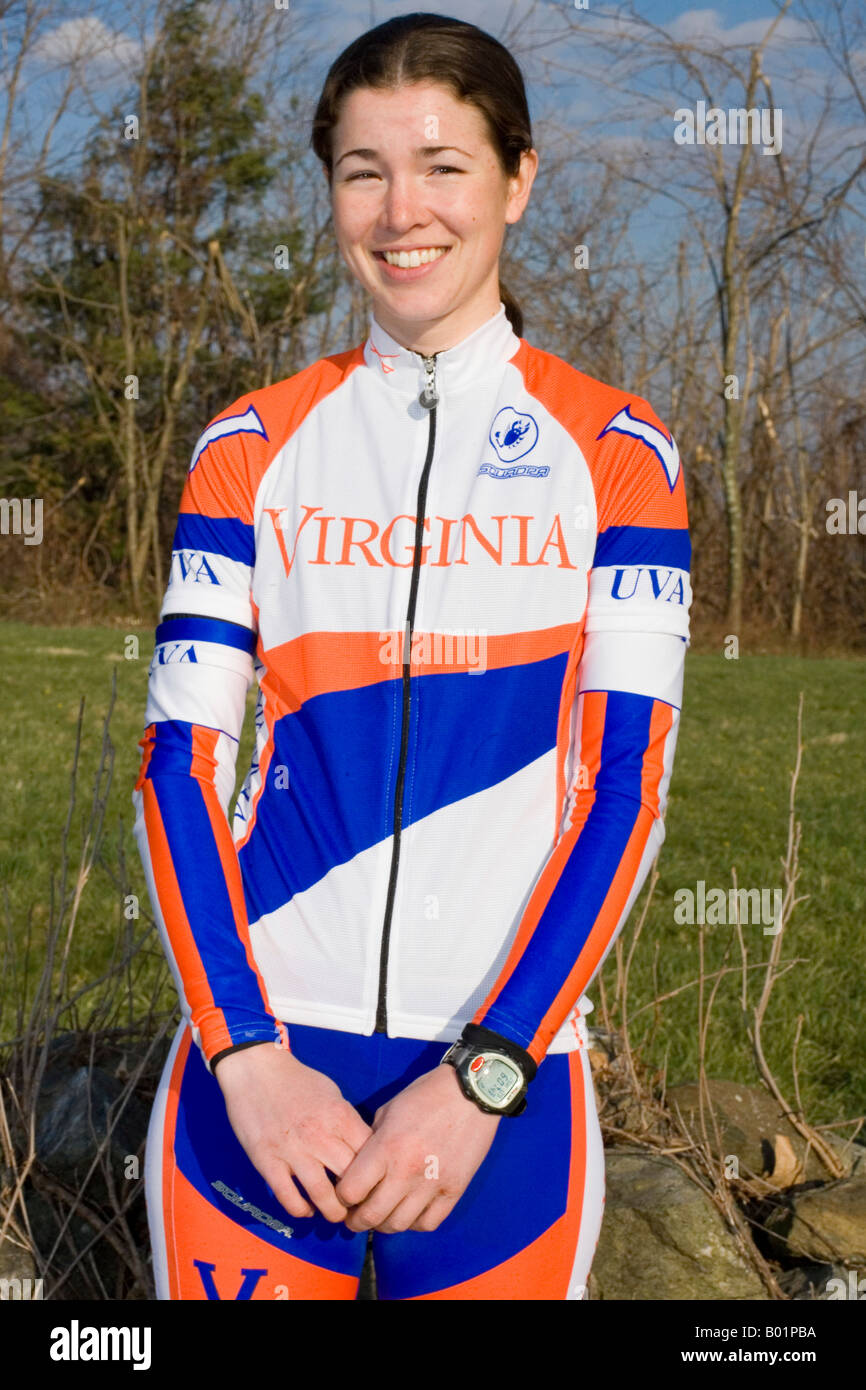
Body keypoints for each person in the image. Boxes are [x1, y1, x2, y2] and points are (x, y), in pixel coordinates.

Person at [133, 12, 691, 1301]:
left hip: (503, 1085)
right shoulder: (248, 446)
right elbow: (178, 768)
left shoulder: (619, 451)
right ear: (328, 186)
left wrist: (488, 1075)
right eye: (363, 170)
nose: (402, 212)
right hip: (263, 1081)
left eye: (443, 164)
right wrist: (247, 1061)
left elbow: (624, 790)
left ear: (519, 178)